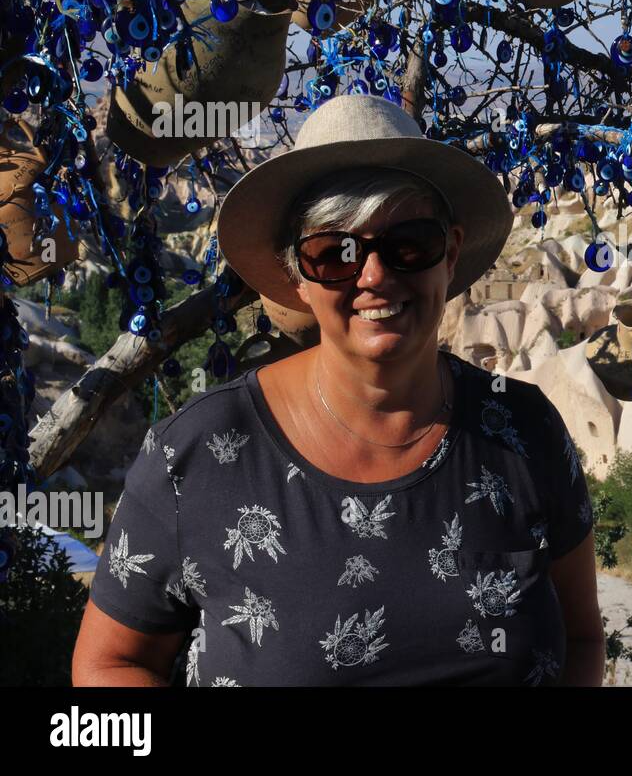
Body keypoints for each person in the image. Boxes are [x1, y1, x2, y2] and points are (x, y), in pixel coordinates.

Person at [72, 94, 604, 686]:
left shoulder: (523, 431)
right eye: (336, 254)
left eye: (409, 244)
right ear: (298, 274)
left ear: (450, 253)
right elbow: (109, 663)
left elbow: (581, 635)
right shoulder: (195, 455)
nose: (375, 276)